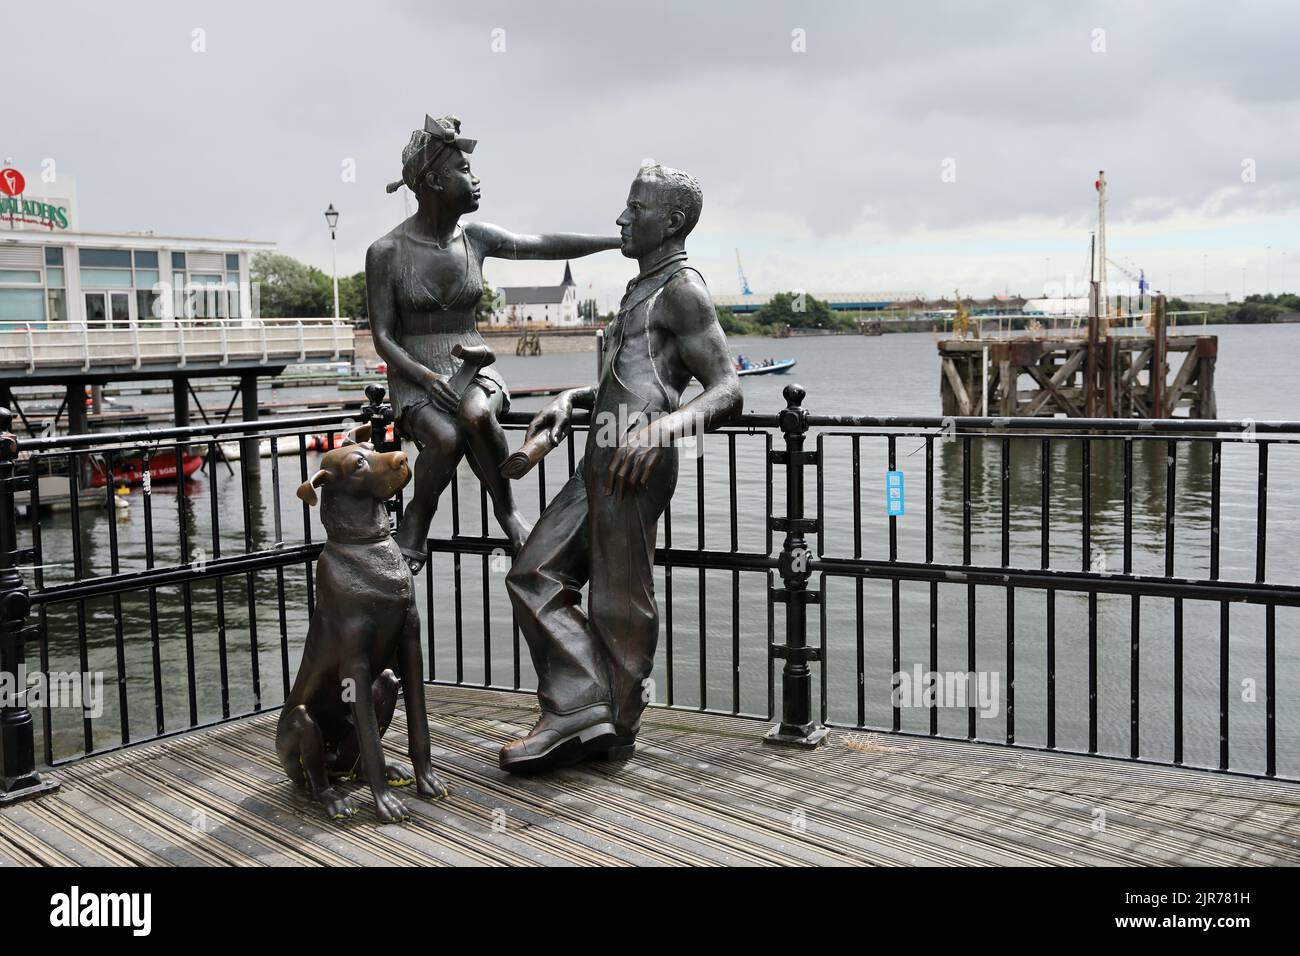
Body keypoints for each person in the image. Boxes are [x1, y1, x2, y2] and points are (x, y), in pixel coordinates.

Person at [501, 162, 743, 773]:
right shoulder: (640, 288)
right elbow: (628, 379)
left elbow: (728, 389)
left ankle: (611, 721)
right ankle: (584, 705)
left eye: (636, 209)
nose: (621, 219)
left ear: (673, 222)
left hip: (636, 463)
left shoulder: (682, 289)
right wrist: (571, 402)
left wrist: (662, 429)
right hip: (598, 459)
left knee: (619, 598)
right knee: (533, 573)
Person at [366, 115, 620, 571]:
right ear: (433, 181)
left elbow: (543, 243)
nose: (476, 179)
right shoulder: (386, 252)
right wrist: (426, 377)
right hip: (414, 372)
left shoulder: (476, 238)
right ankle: (418, 518)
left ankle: (507, 510)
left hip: (474, 361)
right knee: (443, 440)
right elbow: (383, 336)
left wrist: (618, 242)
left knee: (476, 413)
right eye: (464, 169)